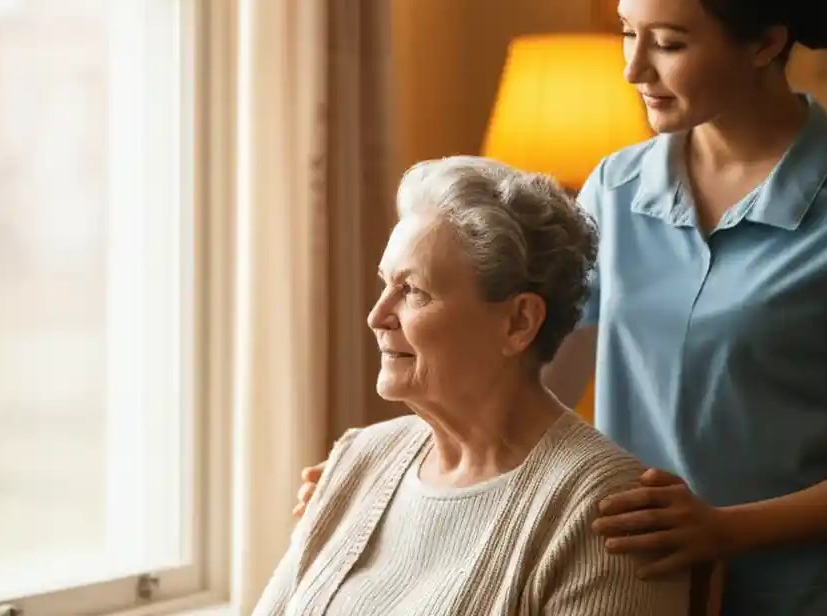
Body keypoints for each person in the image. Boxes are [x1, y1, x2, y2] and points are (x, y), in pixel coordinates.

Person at [302, 0, 827, 613]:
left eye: (670, 43)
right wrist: (390, 479)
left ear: (767, 42)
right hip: (629, 586)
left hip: (805, 597)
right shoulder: (614, 189)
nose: (634, 68)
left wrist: (723, 531)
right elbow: (529, 387)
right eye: (627, 33)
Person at [256, 157, 692, 615]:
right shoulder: (359, 459)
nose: (377, 316)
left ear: (518, 322)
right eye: (385, 284)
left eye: (413, 291)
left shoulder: (605, 510)